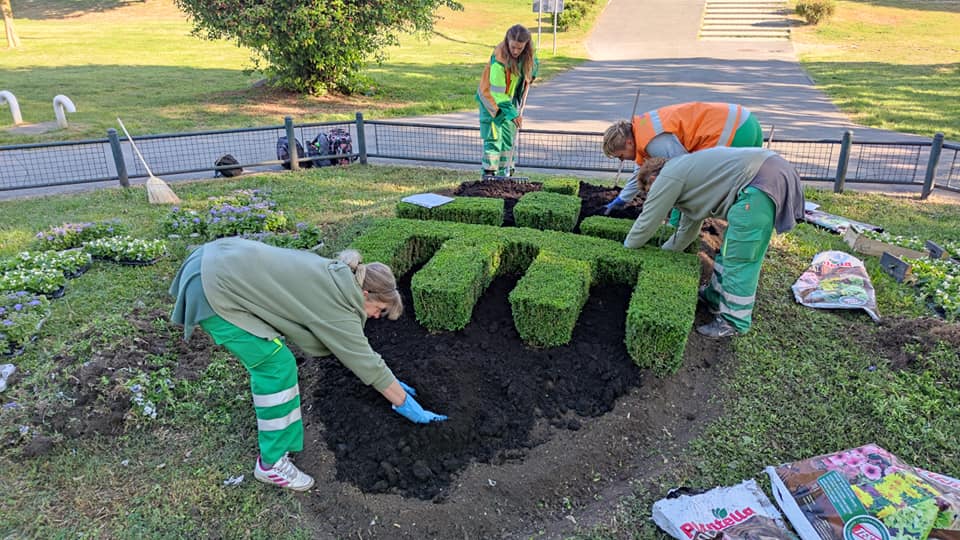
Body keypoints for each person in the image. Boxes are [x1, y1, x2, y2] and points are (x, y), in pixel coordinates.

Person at [169, 237, 447, 492]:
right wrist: (404, 404)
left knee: (277, 359)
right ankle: (271, 465)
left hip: (216, 256)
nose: (376, 317)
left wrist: (395, 385)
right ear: (365, 294)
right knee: (276, 366)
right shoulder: (338, 309)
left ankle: (279, 447)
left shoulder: (335, 275)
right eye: (381, 310)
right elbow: (366, 362)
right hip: (213, 288)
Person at [619, 146, 805, 338]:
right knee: (728, 250)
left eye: (652, 190)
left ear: (652, 178)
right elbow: (686, 233)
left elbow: (647, 221)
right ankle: (714, 297)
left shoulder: (667, 177)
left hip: (761, 183)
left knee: (740, 258)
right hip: (766, 175)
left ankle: (733, 322)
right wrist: (663, 254)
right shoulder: (685, 175)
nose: (657, 194)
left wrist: (627, 249)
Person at [602, 102, 764, 216]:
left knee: (725, 192)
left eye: (621, 156)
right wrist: (622, 199)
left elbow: (684, 172)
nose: (623, 160)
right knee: (745, 191)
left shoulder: (654, 142)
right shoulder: (642, 128)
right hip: (746, 121)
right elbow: (640, 172)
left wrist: (674, 213)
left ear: (629, 143)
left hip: (732, 132)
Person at [477, 24, 538, 180]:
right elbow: (497, 93)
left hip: (509, 102)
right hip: (492, 103)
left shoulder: (526, 54)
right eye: (513, 47)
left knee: (508, 137)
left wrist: (532, 73)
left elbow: (533, 63)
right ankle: (490, 174)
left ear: (526, 46)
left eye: (520, 48)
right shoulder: (499, 60)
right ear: (507, 41)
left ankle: (506, 174)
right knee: (494, 138)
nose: (516, 51)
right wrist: (513, 114)